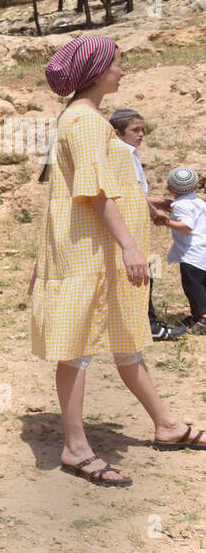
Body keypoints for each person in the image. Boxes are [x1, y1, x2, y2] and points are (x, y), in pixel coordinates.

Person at [29, 36, 204, 486]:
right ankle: (74, 447)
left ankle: (165, 425)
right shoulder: (86, 123)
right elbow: (92, 192)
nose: (122, 72)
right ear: (96, 71)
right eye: (117, 65)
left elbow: (103, 185)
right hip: (92, 253)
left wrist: (147, 210)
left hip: (101, 250)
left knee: (127, 341)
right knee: (78, 350)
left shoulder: (84, 119)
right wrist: (129, 245)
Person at [108, 108, 187, 340]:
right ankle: (149, 325)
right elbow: (129, 193)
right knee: (143, 271)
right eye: (135, 130)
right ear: (117, 132)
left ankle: (141, 322)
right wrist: (154, 211)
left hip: (134, 220)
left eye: (142, 130)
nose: (141, 134)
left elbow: (134, 192)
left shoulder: (128, 152)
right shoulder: (121, 153)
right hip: (129, 222)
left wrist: (156, 202)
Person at [164, 165, 206, 334]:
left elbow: (186, 226)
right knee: (202, 285)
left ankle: (202, 318)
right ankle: (197, 315)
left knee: (193, 286)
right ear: (196, 186)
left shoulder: (180, 205)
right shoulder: (199, 201)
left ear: (169, 188)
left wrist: (166, 222)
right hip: (202, 250)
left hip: (192, 254)